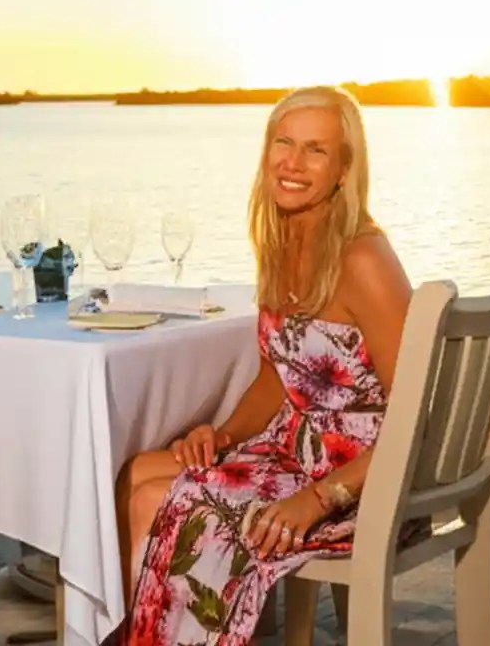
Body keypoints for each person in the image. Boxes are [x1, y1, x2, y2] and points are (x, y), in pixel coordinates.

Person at [109, 86, 414, 645]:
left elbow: (419, 410)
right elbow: (278, 377)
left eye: (316, 150)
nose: (293, 163)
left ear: (344, 170)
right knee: (135, 473)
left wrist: (319, 498)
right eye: (284, 143)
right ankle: (152, 634)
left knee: (158, 499)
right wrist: (223, 435)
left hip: (368, 481)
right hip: (293, 452)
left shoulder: (364, 257)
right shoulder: (283, 244)